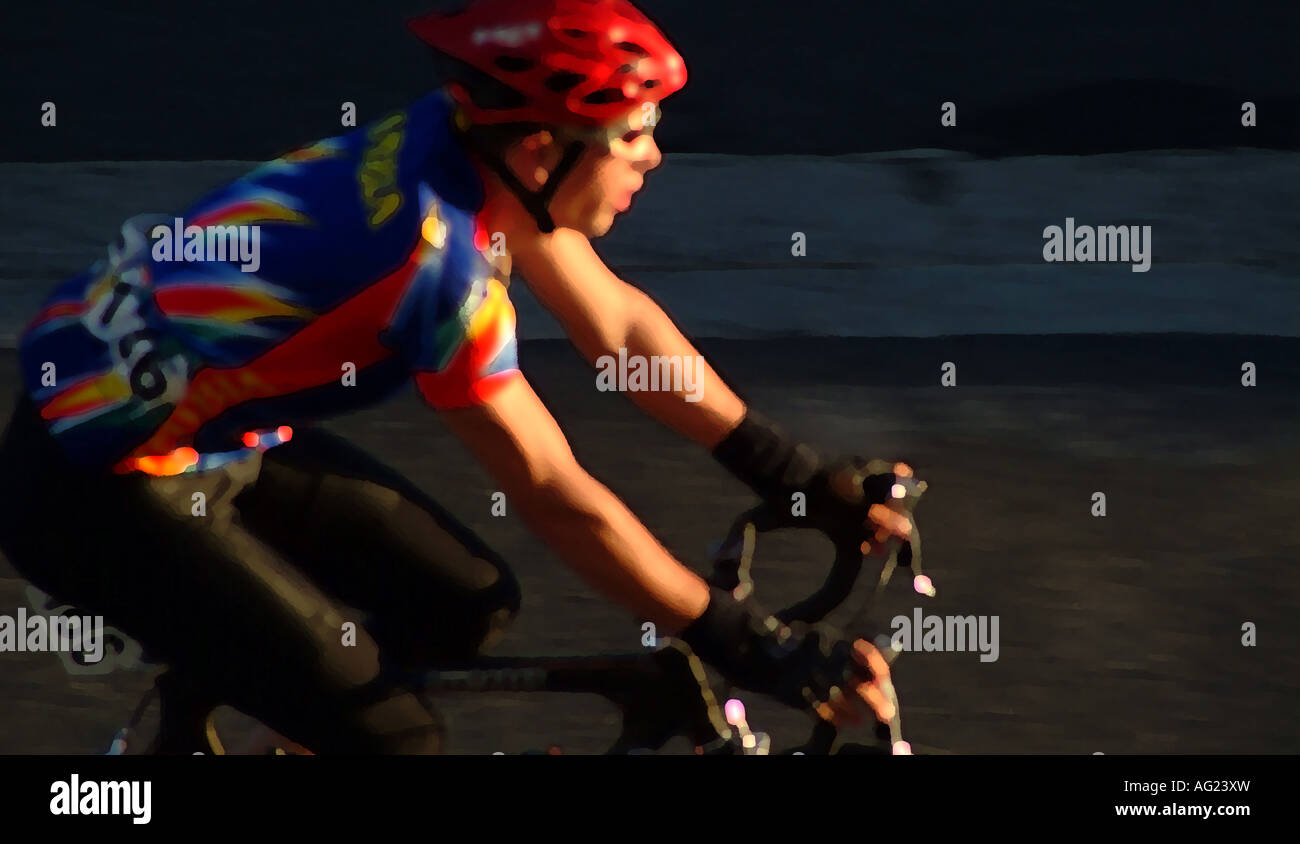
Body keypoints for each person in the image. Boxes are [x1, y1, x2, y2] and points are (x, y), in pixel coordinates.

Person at [0, 0, 914, 753]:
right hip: (94, 490)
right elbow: (556, 494)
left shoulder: (463, 138)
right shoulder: (432, 274)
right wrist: (751, 643)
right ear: (541, 153)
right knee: (400, 742)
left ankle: (267, 692)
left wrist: (785, 471)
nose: (652, 154)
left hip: (187, 428)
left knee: (467, 607)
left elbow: (618, 325)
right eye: (631, 133)